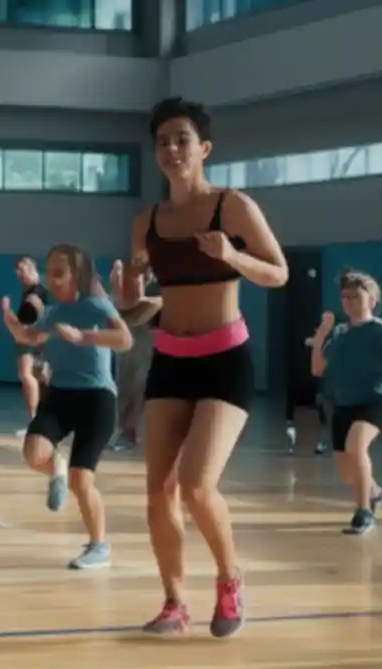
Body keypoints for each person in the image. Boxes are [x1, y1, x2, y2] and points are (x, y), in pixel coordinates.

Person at [118, 97, 288, 639]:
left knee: (195, 484)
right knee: (158, 492)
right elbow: (143, 306)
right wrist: (129, 296)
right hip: (171, 360)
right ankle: (174, 603)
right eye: (162, 141)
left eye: (182, 139)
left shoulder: (231, 207)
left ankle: (230, 578)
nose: (172, 149)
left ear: (204, 148)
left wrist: (232, 256)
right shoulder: (146, 223)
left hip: (224, 361)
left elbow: (279, 273)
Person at [2, 245, 132, 569]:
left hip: (97, 398)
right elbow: (32, 337)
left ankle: (99, 546)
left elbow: (124, 339)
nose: (53, 280)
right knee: (33, 453)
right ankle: (56, 468)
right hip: (60, 395)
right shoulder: (53, 312)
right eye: (49, 273)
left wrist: (84, 337)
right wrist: (14, 327)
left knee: (81, 480)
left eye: (59, 273)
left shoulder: (97, 305)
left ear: (77, 275)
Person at [309, 270, 382, 535]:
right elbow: (318, 368)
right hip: (345, 403)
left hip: (376, 400)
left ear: (372, 300)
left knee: (356, 445)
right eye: (345, 297)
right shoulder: (340, 333)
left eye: (355, 296)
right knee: (346, 471)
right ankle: (375, 492)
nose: (349, 301)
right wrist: (322, 335)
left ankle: (363, 512)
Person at [109, 261, 162, 451]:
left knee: (140, 388)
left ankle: (129, 432)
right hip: (129, 349)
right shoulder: (127, 291)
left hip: (148, 348)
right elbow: (121, 312)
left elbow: (142, 312)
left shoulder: (158, 291)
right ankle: (122, 430)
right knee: (125, 389)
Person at [13, 255, 49, 434]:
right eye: (17, 270)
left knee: (26, 374)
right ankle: (41, 421)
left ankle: (34, 420)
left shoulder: (37, 291)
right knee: (39, 377)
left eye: (22, 269)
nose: (19, 273)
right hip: (32, 338)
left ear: (31, 269)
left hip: (31, 339)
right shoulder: (28, 291)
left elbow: (41, 314)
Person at [286, 332, 330, 455]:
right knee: (293, 404)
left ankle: (322, 441)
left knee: (321, 407)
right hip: (303, 379)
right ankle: (292, 438)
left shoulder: (327, 343)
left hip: (317, 380)